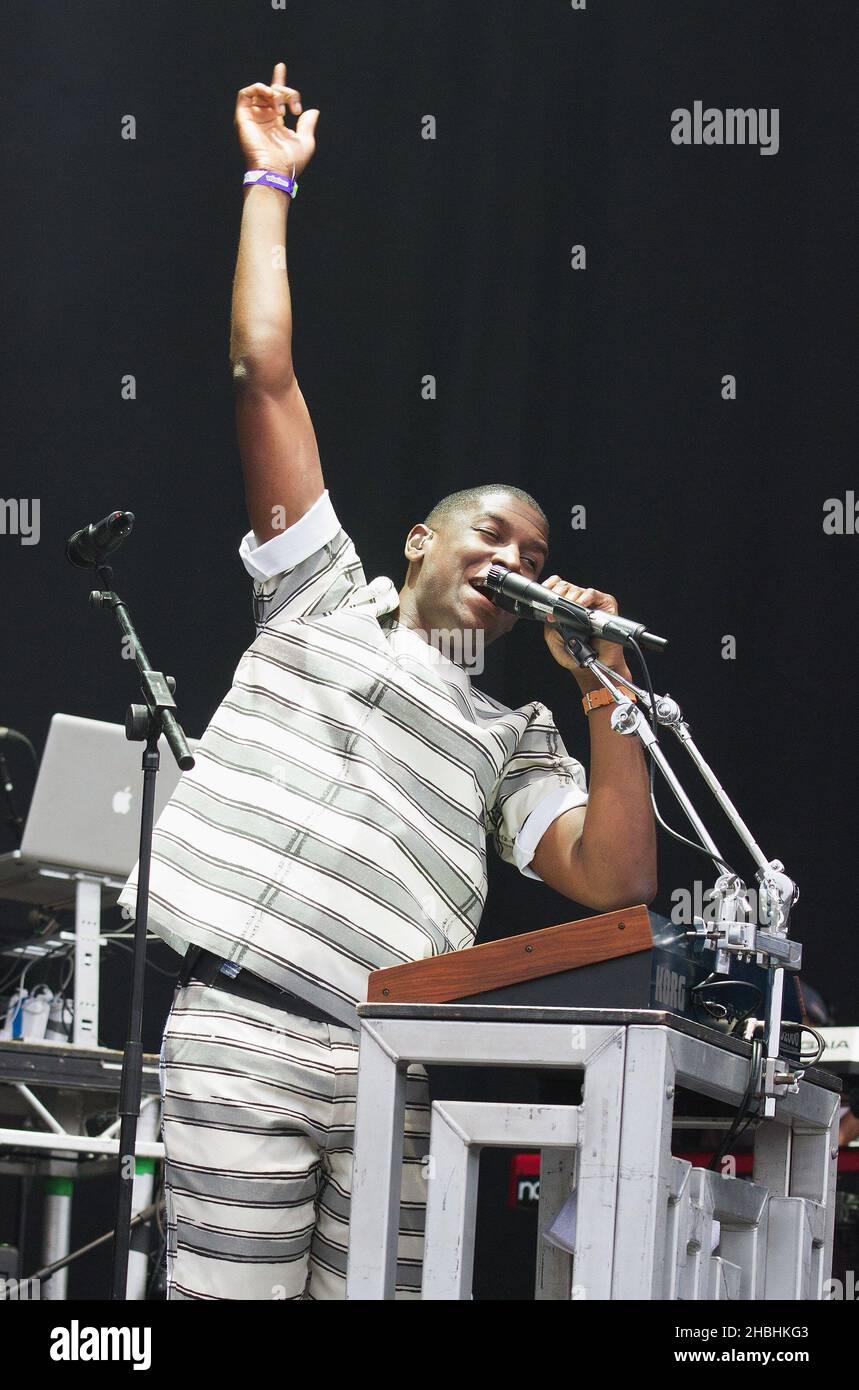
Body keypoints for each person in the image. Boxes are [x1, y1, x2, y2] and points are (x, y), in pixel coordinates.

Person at [119, 61, 657, 1301]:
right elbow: (264, 372)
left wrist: (602, 687)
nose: (515, 559)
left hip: (396, 1070)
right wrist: (270, 181)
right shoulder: (320, 594)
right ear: (419, 540)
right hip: (246, 1033)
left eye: (535, 554)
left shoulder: (514, 731)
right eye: (492, 534)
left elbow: (618, 881)